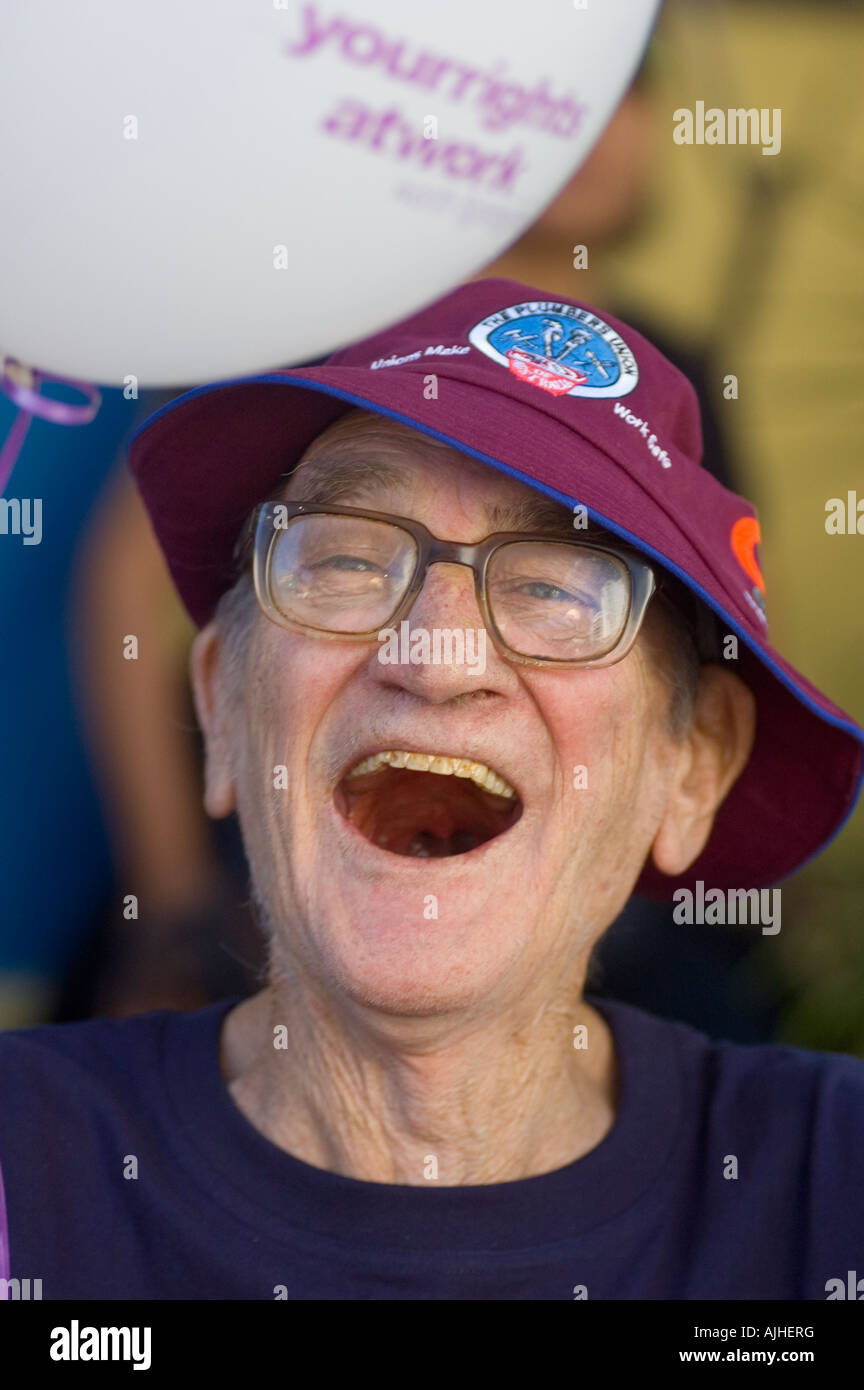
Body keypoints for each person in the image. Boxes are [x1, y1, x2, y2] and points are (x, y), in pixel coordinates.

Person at [1, 278, 862, 1301]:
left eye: (554, 586)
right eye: (349, 558)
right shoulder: (26, 1178)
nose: (437, 654)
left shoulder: (830, 1192)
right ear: (225, 705)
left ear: (692, 764)